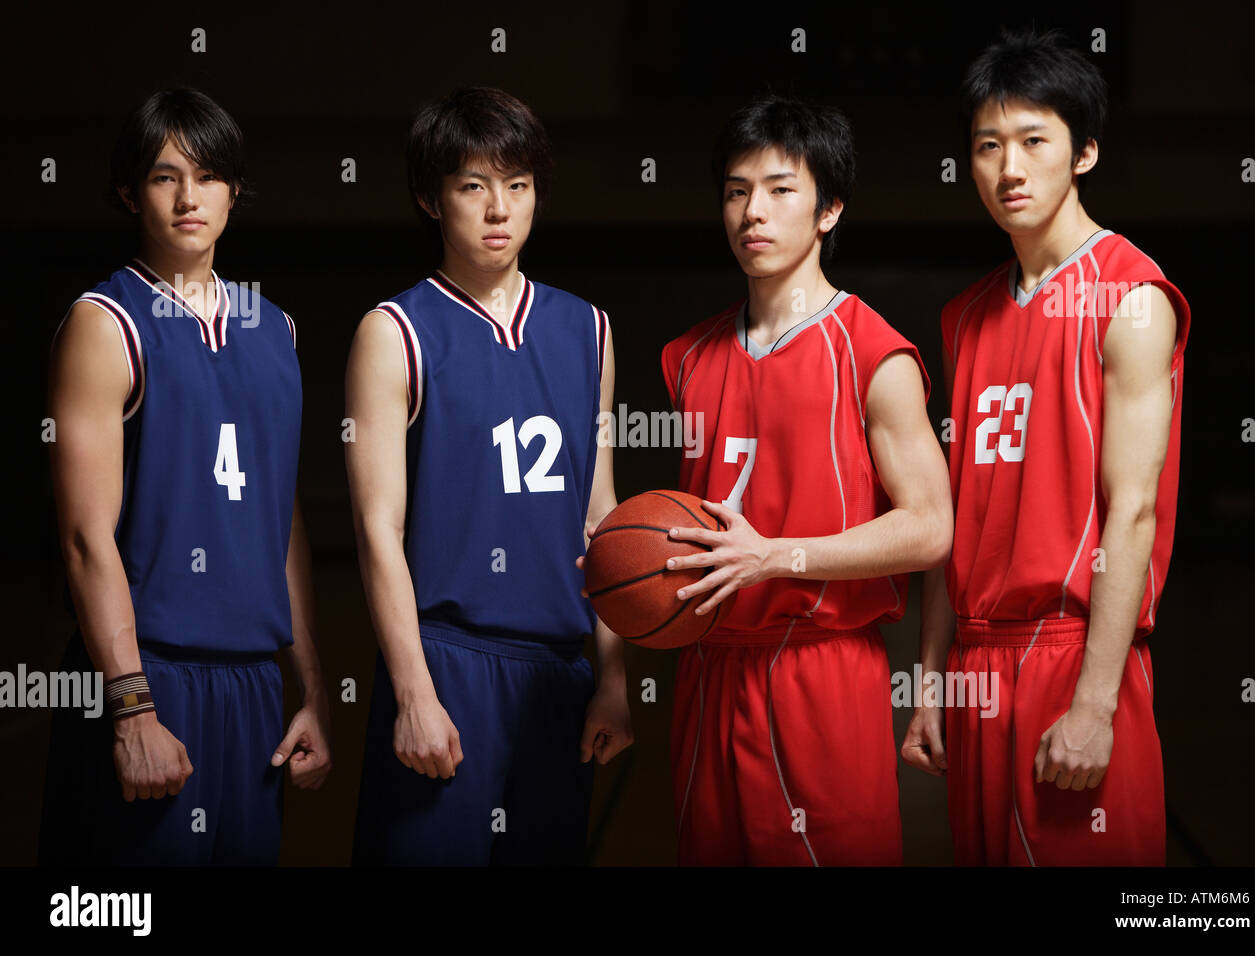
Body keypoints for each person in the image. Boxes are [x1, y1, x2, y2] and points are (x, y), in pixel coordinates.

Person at [901, 28, 1191, 866]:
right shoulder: (967, 316)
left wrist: (1096, 703)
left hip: (1075, 658)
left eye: (1034, 141)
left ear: (1085, 152)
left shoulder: (1131, 298)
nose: (1009, 168)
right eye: (988, 146)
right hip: (979, 659)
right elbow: (945, 522)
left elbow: (1131, 509)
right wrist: (933, 682)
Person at [658, 94, 952, 865]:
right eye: (735, 189)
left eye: (781, 189)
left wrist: (777, 556)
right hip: (708, 670)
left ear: (829, 210)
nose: (753, 211)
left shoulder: (874, 353)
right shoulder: (685, 359)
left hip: (823, 671)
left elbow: (930, 526)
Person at [40, 88, 331, 866]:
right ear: (132, 193)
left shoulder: (277, 328)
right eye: (166, 177)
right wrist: (131, 711)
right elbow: (82, 537)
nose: (189, 196)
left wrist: (313, 690)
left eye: (208, 175)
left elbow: (282, 520)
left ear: (236, 190)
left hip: (253, 690)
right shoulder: (106, 324)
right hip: (152, 676)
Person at [347, 87, 632, 865]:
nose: (498, 208)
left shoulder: (588, 328)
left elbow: (598, 515)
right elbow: (379, 529)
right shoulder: (394, 330)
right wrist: (412, 693)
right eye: (473, 186)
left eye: (518, 184)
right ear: (429, 198)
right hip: (447, 664)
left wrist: (612, 674)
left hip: (557, 678)